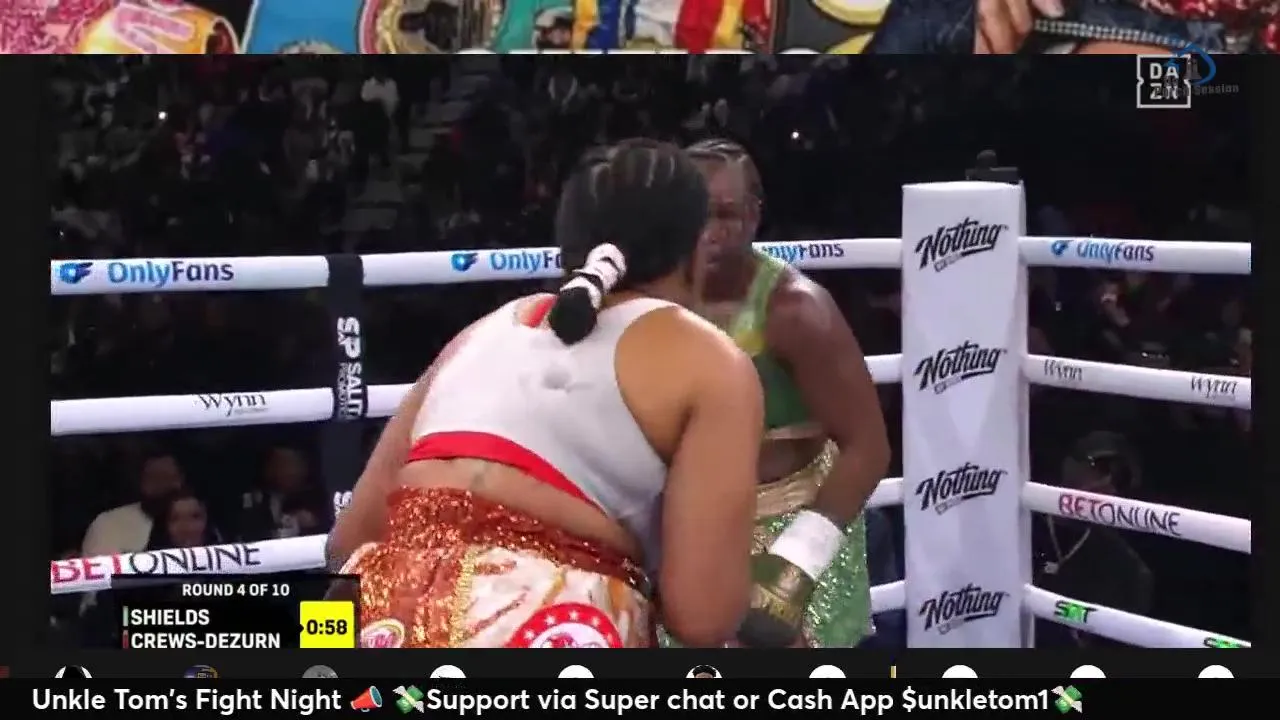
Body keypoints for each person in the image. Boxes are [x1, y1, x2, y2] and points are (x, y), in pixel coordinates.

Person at [327, 139, 765, 649]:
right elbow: (702, 617)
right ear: (694, 249)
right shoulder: (712, 361)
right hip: (546, 622)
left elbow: (347, 543)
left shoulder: (481, 333)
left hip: (370, 618)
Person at [673, 138, 891, 648]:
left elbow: (868, 447)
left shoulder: (796, 311)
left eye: (725, 214)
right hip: (690, 525)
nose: (707, 231)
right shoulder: (654, 302)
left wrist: (799, 559)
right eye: (693, 214)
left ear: (754, 214)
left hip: (791, 518)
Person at [81, 452, 185, 557]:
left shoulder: (192, 525)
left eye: (167, 478)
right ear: (141, 482)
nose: (161, 486)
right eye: (154, 478)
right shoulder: (108, 524)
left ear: (181, 480)